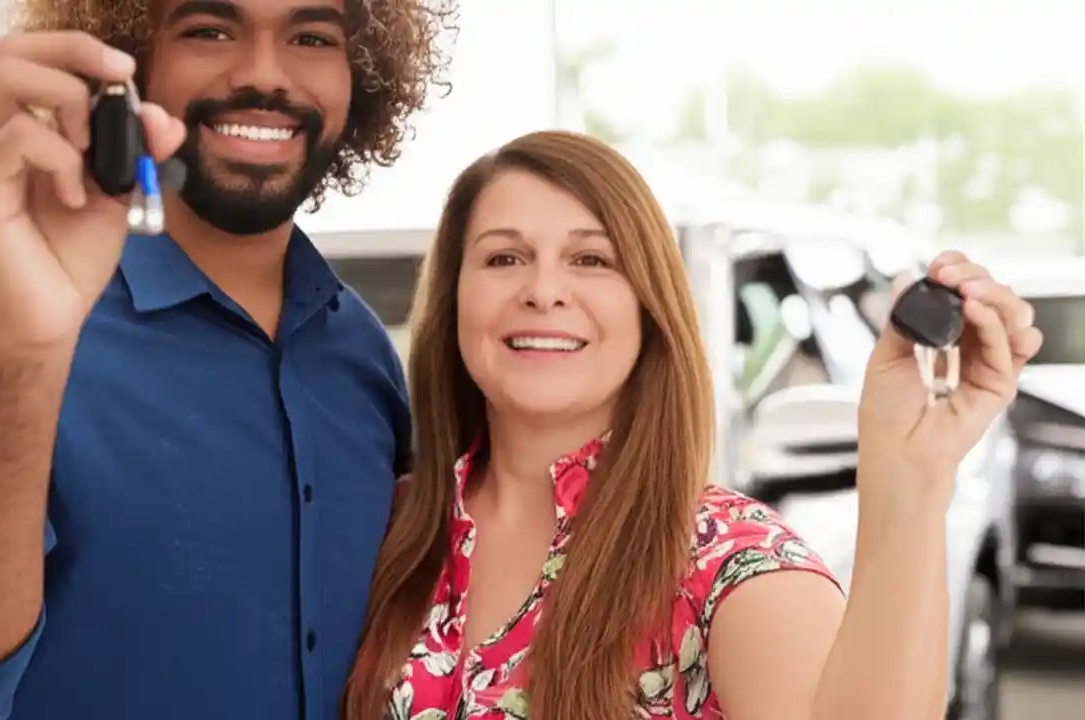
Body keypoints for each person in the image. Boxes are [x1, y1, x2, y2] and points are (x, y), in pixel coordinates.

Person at [0, 0, 454, 718]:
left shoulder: (364, 356)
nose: (262, 72)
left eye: (311, 37)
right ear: (126, 62)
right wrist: (19, 353)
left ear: (362, 79)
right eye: (208, 30)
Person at [340, 130, 1043, 720]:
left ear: (651, 311)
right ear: (453, 301)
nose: (544, 289)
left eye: (592, 259)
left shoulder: (725, 564)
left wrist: (912, 471)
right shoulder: (381, 530)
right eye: (504, 257)